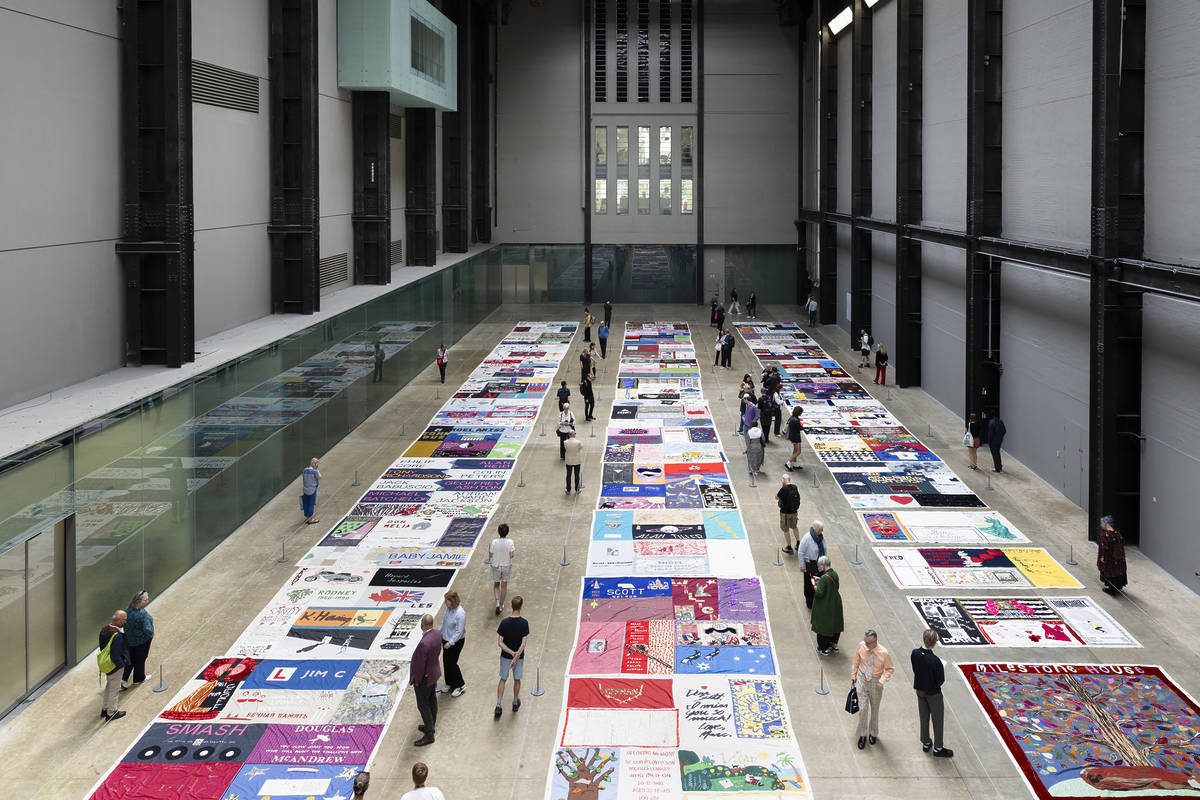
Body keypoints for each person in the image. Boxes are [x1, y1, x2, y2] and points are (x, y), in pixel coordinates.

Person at [912, 629, 954, 758]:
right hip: (933, 694)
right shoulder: (936, 661)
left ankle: (925, 742)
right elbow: (940, 680)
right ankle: (938, 747)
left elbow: (915, 669)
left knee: (923, 717)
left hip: (920, 690)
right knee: (937, 720)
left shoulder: (915, 653)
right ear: (934, 643)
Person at [851, 630, 895, 749]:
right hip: (862, 679)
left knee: (875, 709)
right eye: (865, 641)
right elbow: (856, 660)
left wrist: (882, 681)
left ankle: (873, 733)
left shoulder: (884, 653)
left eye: (868, 643)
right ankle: (862, 734)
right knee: (863, 709)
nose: (865, 645)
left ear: (875, 642)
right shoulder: (861, 646)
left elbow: (890, 669)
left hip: (876, 682)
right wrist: (854, 675)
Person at [409, 614, 441, 746]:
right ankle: (431, 724)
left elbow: (420, 665)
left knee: (423, 705)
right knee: (432, 699)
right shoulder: (438, 633)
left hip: (424, 678)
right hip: (434, 673)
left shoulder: (423, 643)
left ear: (422, 625)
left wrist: (417, 680)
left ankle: (429, 734)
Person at [495, 595, 529, 719]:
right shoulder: (524, 623)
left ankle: (498, 705)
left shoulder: (504, 623)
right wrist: (516, 656)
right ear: (521, 606)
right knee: (517, 679)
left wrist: (510, 653)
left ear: (511, 606)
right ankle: (515, 702)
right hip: (519, 657)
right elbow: (523, 644)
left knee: (503, 679)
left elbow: (500, 643)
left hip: (505, 656)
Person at [99, 610, 130, 722]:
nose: (125, 622)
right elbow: (115, 655)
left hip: (106, 665)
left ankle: (105, 708)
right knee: (114, 689)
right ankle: (111, 712)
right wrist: (121, 665)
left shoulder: (104, 630)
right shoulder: (117, 636)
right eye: (124, 620)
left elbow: (103, 648)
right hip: (114, 667)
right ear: (118, 620)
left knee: (109, 686)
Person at [811, 556, 843, 655]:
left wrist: (814, 584)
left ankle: (823, 648)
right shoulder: (834, 574)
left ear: (824, 566)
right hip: (836, 602)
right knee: (835, 624)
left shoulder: (825, 578)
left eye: (821, 565)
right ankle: (834, 644)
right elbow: (830, 583)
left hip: (826, 604)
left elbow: (819, 592)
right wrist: (820, 579)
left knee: (823, 626)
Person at [122, 590, 154, 688]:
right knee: (140, 659)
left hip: (129, 640)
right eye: (145, 600)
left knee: (130, 659)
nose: (147, 601)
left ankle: (123, 679)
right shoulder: (142, 614)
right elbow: (147, 629)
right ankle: (139, 678)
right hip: (142, 641)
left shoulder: (127, 610)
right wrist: (151, 634)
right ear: (140, 601)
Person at [438, 591, 466, 697]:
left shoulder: (460, 613)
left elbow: (459, 631)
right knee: (446, 662)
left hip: (456, 642)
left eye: (447, 600)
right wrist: (439, 632)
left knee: (452, 663)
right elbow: (444, 622)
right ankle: (449, 683)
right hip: (446, 639)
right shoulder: (448, 609)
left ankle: (460, 685)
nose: (445, 602)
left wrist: (451, 642)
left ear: (453, 601)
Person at [798, 521, 826, 609]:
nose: (822, 531)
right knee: (809, 585)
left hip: (820, 564)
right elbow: (800, 552)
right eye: (820, 530)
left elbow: (824, 549)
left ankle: (817, 600)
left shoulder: (822, 536)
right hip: (810, 564)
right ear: (815, 529)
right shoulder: (807, 538)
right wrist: (802, 565)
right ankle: (809, 601)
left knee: (819, 583)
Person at [1097, 515, 1127, 595]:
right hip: (1119, 559)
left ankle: (1111, 588)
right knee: (1118, 570)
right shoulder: (1118, 534)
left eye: (1102, 523)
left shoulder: (1105, 536)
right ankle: (1118, 586)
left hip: (1110, 560)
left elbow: (1104, 549)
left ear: (1106, 523)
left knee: (1110, 571)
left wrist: (1102, 558)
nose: (1101, 525)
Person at [489, 523, 515, 614]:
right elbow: (512, 555)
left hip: (496, 566)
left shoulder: (494, 542)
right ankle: (501, 604)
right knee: (504, 586)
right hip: (506, 566)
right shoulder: (510, 542)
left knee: (496, 585)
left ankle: (496, 602)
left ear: (498, 532)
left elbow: (491, 554)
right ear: (507, 532)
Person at [775, 475, 801, 554]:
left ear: (783, 480)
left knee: (786, 530)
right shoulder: (795, 487)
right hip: (794, 512)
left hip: (785, 513)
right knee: (794, 527)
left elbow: (776, 497)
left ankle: (789, 547)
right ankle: (798, 543)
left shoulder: (783, 489)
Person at [301, 458, 321, 525]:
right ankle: (310, 519)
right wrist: (317, 470)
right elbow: (319, 477)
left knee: (306, 503)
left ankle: (307, 517)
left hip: (305, 489)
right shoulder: (314, 471)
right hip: (312, 489)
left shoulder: (304, 470)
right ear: (315, 464)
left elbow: (303, 479)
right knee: (311, 504)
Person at [785, 406, 805, 471]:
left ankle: (795, 464)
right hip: (796, 437)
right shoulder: (796, 420)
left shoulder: (792, 417)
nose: (801, 413)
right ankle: (788, 463)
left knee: (795, 450)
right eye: (801, 412)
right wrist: (803, 427)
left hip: (792, 436)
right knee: (798, 451)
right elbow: (800, 428)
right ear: (798, 412)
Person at [564, 429, 583, 494]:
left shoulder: (565, 442)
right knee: (576, 475)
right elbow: (580, 448)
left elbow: (566, 449)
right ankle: (577, 489)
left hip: (569, 460)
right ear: (573, 434)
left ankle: (568, 489)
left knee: (568, 475)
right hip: (576, 460)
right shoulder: (578, 442)